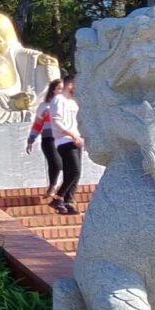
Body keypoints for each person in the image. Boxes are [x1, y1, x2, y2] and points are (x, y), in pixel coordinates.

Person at [24, 78, 65, 202]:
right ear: (53, 90)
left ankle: (62, 190)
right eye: (59, 88)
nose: (61, 91)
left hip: (63, 138)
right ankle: (53, 185)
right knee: (56, 163)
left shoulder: (67, 104)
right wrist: (31, 139)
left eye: (63, 89)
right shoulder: (44, 106)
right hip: (49, 138)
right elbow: (38, 124)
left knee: (66, 164)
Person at [49, 78, 85, 214]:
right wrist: (73, 135)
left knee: (75, 173)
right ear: (70, 84)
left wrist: (79, 136)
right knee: (74, 171)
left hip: (76, 139)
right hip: (65, 140)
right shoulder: (58, 99)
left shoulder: (73, 102)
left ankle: (69, 201)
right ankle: (58, 198)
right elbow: (57, 122)